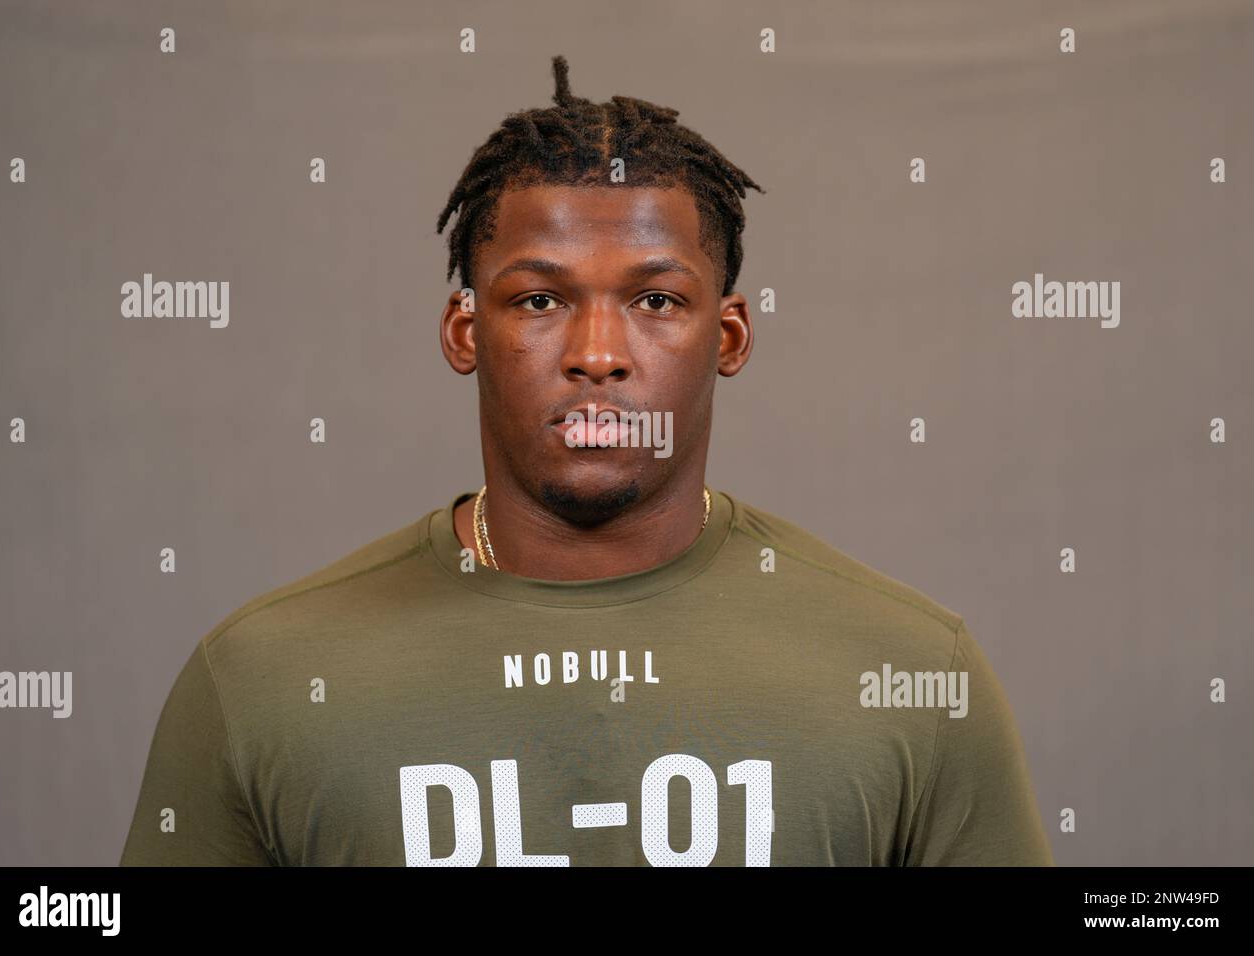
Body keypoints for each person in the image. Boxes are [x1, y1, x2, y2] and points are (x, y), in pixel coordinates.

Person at [120, 55, 1053, 866]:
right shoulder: (263, 678)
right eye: (537, 301)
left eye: (655, 301)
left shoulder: (911, 671)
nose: (597, 352)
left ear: (727, 335)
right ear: (464, 331)